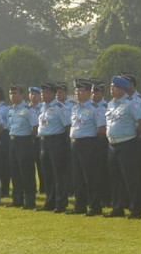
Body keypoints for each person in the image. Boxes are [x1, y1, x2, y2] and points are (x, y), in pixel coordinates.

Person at [106, 75, 141, 219]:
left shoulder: (132, 104)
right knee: (115, 178)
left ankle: (136, 208)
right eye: (111, 87)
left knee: (131, 178)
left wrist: (134, 134)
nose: (112, 90)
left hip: (127, 144)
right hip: (112, 144)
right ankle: (117, 207)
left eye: (115, 87)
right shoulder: (111, 104)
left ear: (123, 89)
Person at [69, 78, 107, 215]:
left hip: (89, 144)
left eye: (81, 90)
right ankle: (80, 206)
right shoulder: (75, 108)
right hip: (75, 144)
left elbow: (102, 129)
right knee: (77, 177)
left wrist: (91, 142)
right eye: (76, 90)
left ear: (88, 92)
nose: (78, 93)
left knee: (90, 177)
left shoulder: (95, 109)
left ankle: (95, 206)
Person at [37, 82, 72, 212]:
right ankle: (49, 201)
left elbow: (68, 126)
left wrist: (64, 144)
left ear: (53, 94)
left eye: (46, 92)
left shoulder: (59, 107)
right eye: (42, 93)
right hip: (44, 141)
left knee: (59, 174)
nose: (43, 95)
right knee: (47, 174)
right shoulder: (42, 107)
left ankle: (61, 202)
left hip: (56, 141)